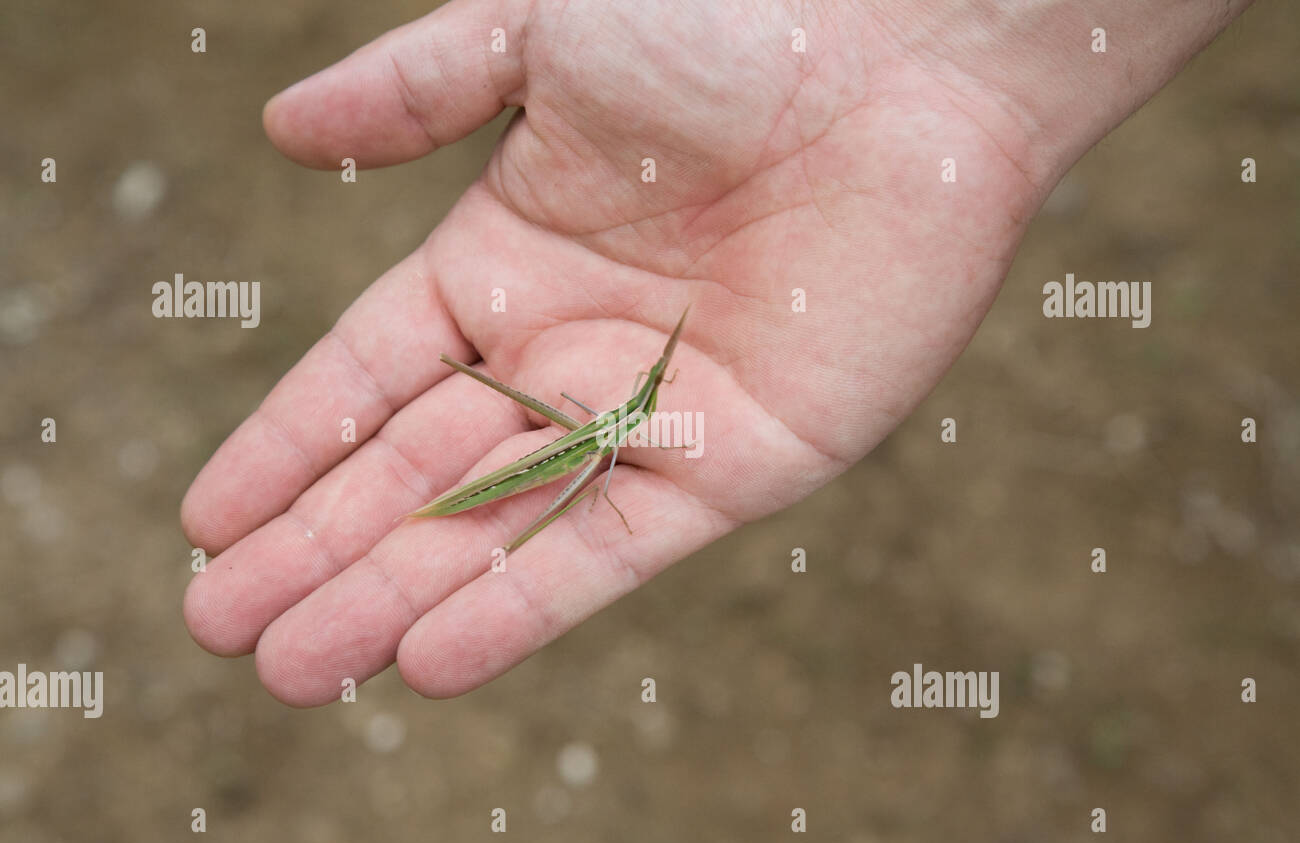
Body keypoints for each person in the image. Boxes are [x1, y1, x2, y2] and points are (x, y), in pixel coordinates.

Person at [181, 0, 1254, 705]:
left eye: (650, 392)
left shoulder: (614, 437)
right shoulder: (593, 432)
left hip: (572, 452)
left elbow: (588, 481)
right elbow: (574, 469)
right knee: (533, 457)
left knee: (560, 487)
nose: (649, 391)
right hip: (565, 449)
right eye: (650, 390)